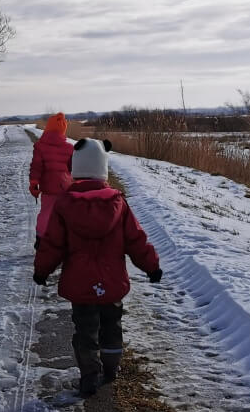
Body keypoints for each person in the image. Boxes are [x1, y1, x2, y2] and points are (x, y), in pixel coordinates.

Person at [33, 138, 163, 396]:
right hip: (112, 283)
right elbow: (136, 240)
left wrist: (42, 270)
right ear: (103, 168)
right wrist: (151, 267)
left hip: (81, 285)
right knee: (111, 326)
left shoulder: (64, 205)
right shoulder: (118, 204)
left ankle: (89, 376)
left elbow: (52, 245)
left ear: (76, 168)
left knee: (85, 331)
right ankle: (111, 368)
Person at [28, 112, 74, 249]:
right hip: (65, 188)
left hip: (48, 188)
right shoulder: (69, 148)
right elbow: (73, 169)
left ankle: (40, 239)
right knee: (64, 216)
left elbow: (36, 167)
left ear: (48, 128)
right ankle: (62, 241)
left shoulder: (40, 146)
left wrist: (34, 183)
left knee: (46, 214)